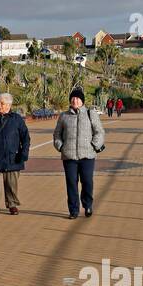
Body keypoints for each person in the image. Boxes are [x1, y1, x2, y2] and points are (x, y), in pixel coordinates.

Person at [55, 87, 105, 219]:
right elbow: (57, 134)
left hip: (87, 156)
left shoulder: (90, 114)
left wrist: (94, 145)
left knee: (87, 181)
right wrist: (61, 147)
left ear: (82, 101)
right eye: (73, 98)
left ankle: (87, 205)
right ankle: (73, 210)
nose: (75, 100)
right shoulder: (64, 116)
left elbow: (99, 132)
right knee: (71, 183)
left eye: (77, 98)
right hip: (69, 156)